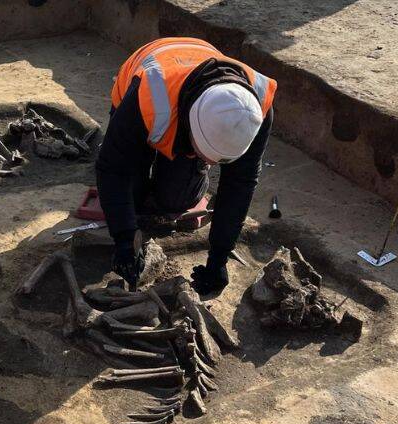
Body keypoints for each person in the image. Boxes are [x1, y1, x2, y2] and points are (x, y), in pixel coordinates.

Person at [96, 37, 277, 295]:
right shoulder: (148, 95)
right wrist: (124, 237)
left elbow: (240, 183)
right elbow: (112, 169)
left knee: (176, 199)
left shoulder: (256, 111)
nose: (212, 164)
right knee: (130, 191)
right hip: (143, 81)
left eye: (220, 161)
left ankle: (171, 178)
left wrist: (219, 258)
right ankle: (143, 175)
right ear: (191, 125)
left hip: (186, 92)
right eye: (207, 154)